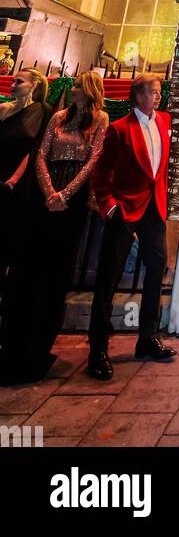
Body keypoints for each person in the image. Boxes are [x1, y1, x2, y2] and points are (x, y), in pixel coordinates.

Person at [0, 70, 109, 385]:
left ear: (89, 90)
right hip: (45, 195)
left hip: (71, 198)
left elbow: (94, 159)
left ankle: (39, 342)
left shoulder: (100, 120)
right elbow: (40, 155)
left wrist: (67, 193)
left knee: (56, 268)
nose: (72, 89)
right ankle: (15, 342)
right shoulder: (59, 116)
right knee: (29, 265)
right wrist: (49, 191)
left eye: (77, 86)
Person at [86, 73, 174, 381]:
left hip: (153, 207)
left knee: (157, 266)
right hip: (125, 207)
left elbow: (160, 166)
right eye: (153, 92)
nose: (158, 97)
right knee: (109, 276)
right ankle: (97, 349)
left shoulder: (164, 122)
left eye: (159, 92)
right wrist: (109, 206)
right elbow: (100, 172)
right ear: (138, 96)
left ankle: (147, 337)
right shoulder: (120, 129)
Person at [0, 68, 51, 284]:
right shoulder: (3, 109)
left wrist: (14, 179)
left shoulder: (43, 111)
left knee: (7, 239)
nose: (12, 86)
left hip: (18, 183)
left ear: (34, 85)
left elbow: (36, 149)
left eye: (19, 82)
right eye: (12, 81)